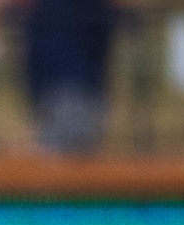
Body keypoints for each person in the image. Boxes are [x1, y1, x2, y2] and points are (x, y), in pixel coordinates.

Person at [19, 0, 119, 153]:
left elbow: (34, 55)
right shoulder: (85, 7)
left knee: (66, 163)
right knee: (73, 163)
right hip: (75, 89)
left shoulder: (46, 9)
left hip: (67, 90)